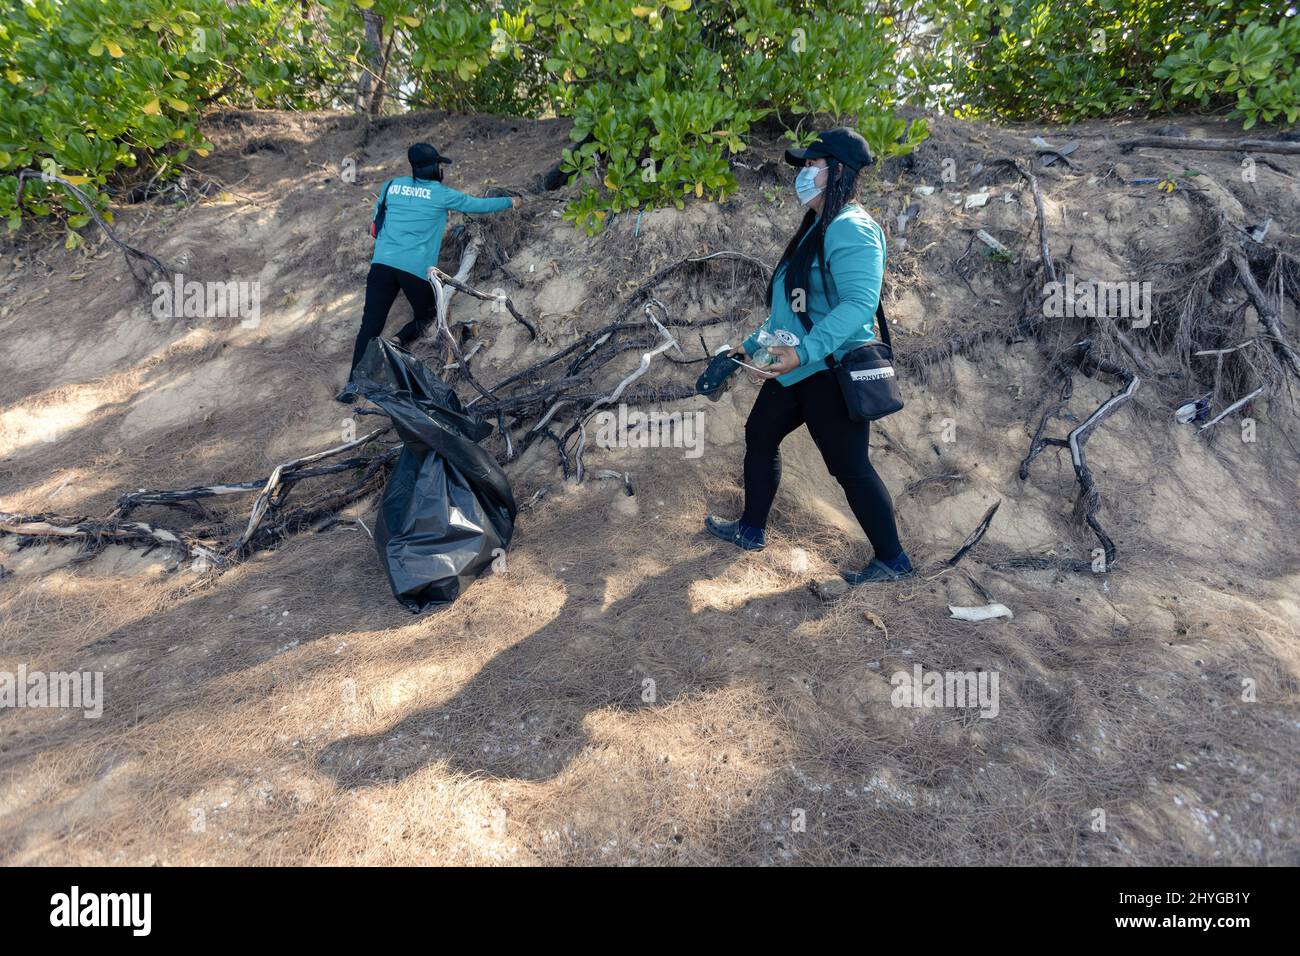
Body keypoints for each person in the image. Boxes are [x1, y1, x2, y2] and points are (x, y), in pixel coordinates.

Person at [704, 127, 914, 584]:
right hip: (803, 367)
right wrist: (751, 344)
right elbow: (792, 310)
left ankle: (894, 561)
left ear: (836, 171)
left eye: (811, 165)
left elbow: (858, 306)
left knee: (849, 468)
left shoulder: (852, 228)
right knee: (760, 432)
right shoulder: (815, 227)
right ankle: (751, 529)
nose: (802, 173)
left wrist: (805, 353)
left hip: (832, 371)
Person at [346, 142, 518, 375]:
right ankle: (399, 340)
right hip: (415, 270)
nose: (440, 169)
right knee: (428, 315)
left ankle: (353, 383)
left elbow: (374, 228)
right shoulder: (442, 195)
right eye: (438, 164)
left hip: (381, 265)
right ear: (433, 168)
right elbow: (479, 205)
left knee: (371, 324)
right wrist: (512, 201)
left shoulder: (390, 186)